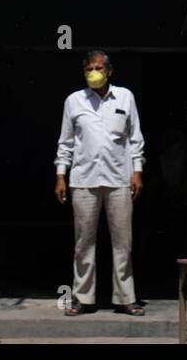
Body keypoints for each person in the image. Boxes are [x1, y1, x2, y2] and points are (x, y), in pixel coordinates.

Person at [54, 50, 145, 316]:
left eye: (98, 68)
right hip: (83, 179)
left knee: (123, 241)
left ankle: (125, 298)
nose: (94, 73)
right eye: (89, 69)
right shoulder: (74, 101)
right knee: (84, 241)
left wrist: (137, 171)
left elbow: (135, 138)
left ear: (109, 71)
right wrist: (60, 175)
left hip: (119, 178)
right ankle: (82, 297)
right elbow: (66, 141)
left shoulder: (125, 97)